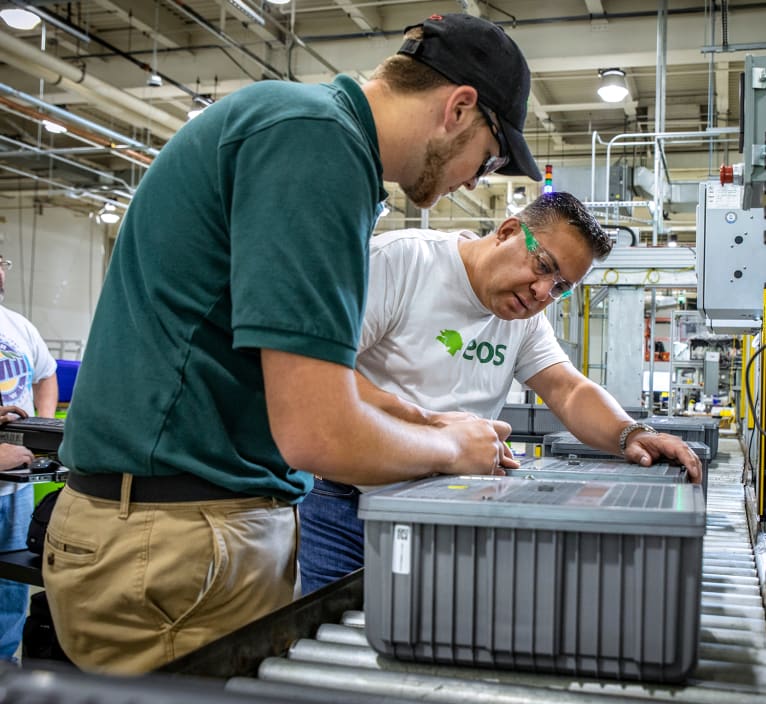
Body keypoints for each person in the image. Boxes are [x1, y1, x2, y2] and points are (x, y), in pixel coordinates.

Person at [44, 13, 541, 674]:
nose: (478, 179)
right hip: (175, 547)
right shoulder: (319, 146)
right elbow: (319, 434)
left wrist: (419, 418)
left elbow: (292, 370)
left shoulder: (312, 136)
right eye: (493, 155)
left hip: (184, 534)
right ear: (457, 108)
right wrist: (453, 449)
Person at [298, 192, 704, 593]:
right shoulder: (401, 262)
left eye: (561, 286)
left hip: (446, 508)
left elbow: (566, 388)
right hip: (347, 507)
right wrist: (434, 426)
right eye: (543, 266)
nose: (543, 292)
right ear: (509, 231)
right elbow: (318, 370)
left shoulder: (522, 319)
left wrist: (631, 434)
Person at [0, 254, 58, 661]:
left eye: (1, 261)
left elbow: (46, 374)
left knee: (11, 592)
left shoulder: (17, 325)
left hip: (17, 489)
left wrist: (44, 427)